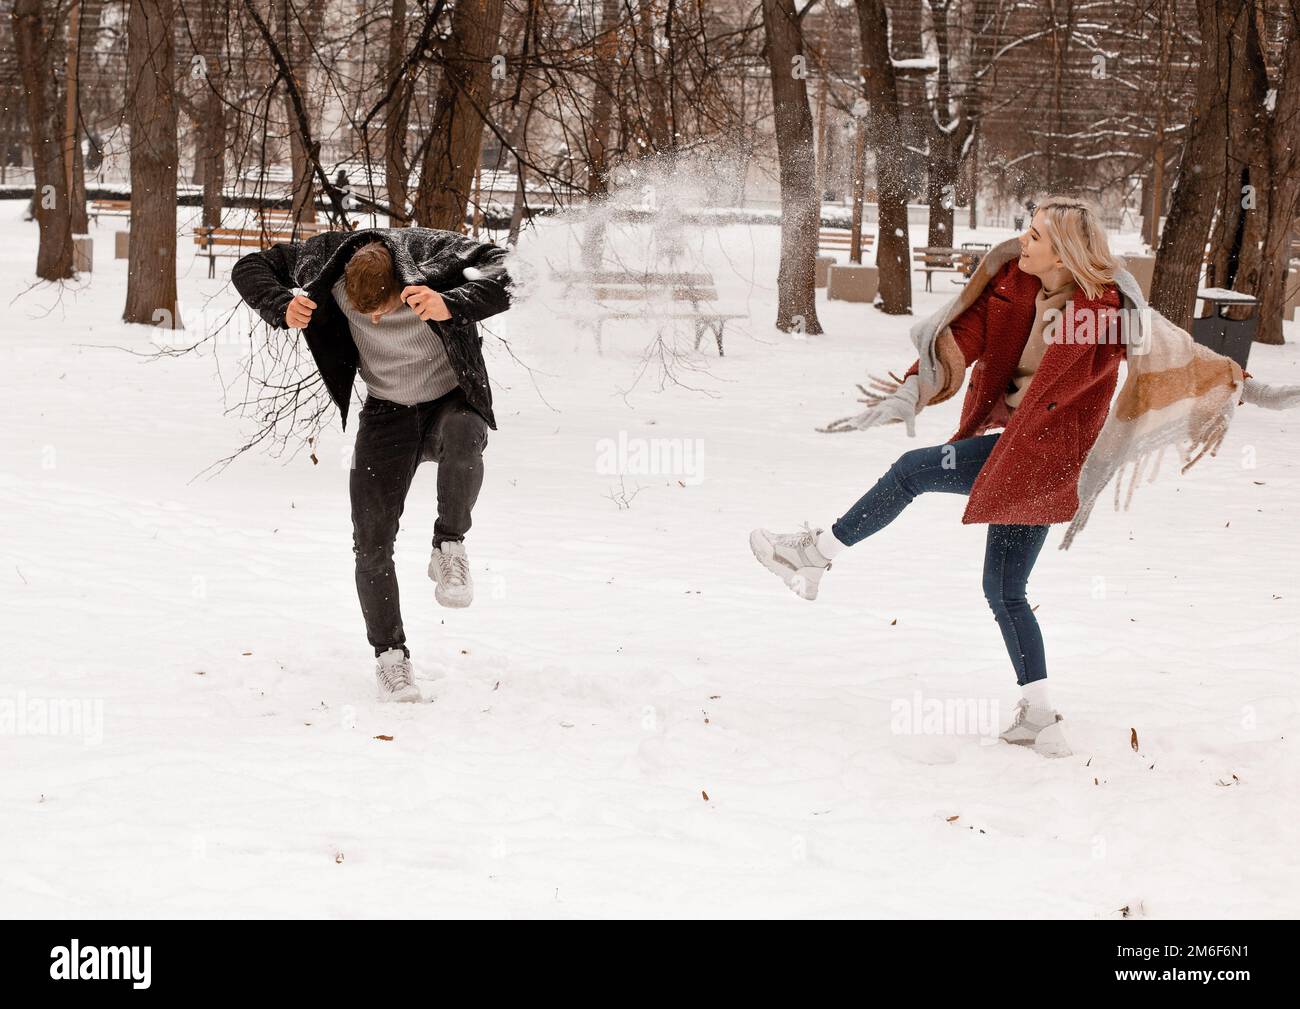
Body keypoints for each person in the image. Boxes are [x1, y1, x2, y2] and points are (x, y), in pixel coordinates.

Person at [750, 196, 1249, 758]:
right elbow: (964, 334)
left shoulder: (1102, 312)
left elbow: (1170, 350)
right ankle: (1040, 717)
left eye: (1035, 235)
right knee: (1005, 591)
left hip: (1043, 459)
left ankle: (815, 554)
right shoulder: (1015, 283)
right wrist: (915, 386)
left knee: (915, 470)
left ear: (1063, 253)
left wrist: (1232, 382)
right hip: (1021, 455)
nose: (1023, 240)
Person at [232, 226, 511, 702]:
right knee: (371, 542)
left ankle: (449, 544)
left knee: (466, 435)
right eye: (366, 316)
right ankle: (391, 659)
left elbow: (511, 274)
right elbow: (248, 267)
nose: (376, 323)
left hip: (449, 402)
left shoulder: (432, 254)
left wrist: (455, 302)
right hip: (388, 414)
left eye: (385, 311)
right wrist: (280, 306)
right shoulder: (323, 260)